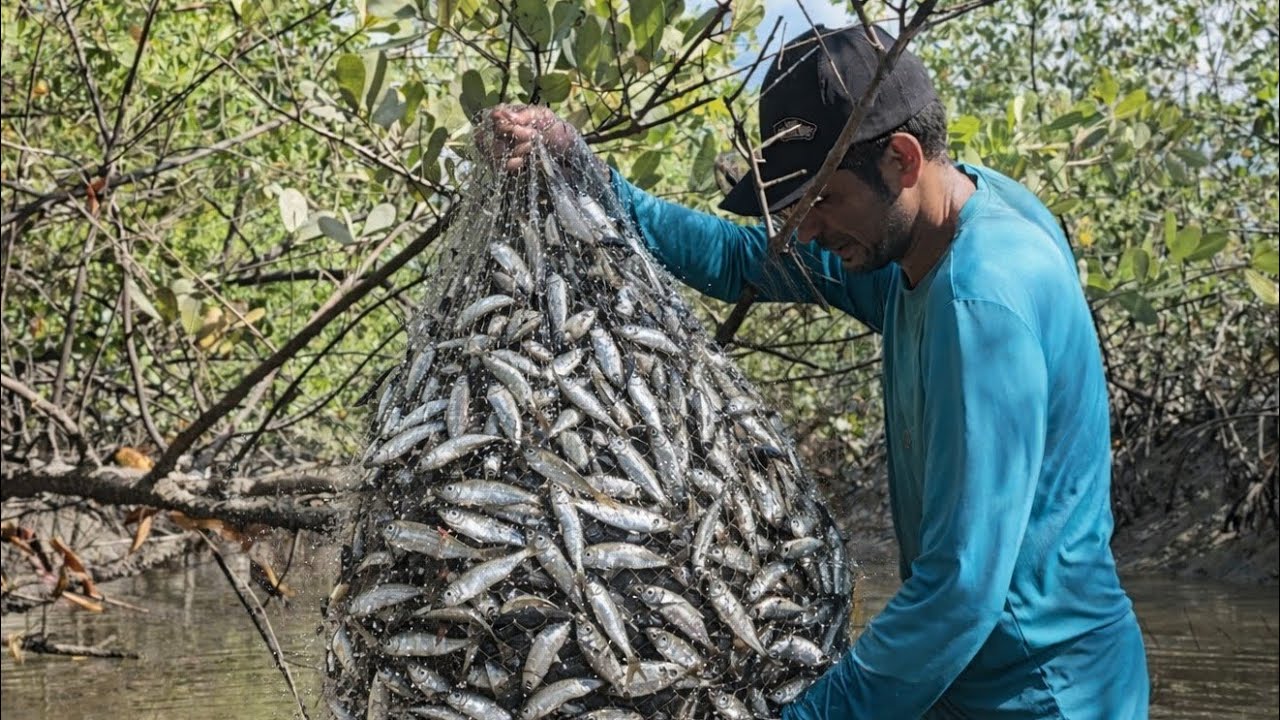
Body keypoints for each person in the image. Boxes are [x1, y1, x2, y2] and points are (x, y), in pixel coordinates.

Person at [486, 22, 1150, 720]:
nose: (805, 226)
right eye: (794, 203)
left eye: (822, 199)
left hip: (1046, 696)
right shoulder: (934, 233)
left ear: (901, 158)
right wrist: (594, 180)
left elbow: (960, 594)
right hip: (987, 678)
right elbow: (749, 260)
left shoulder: (982, 304)